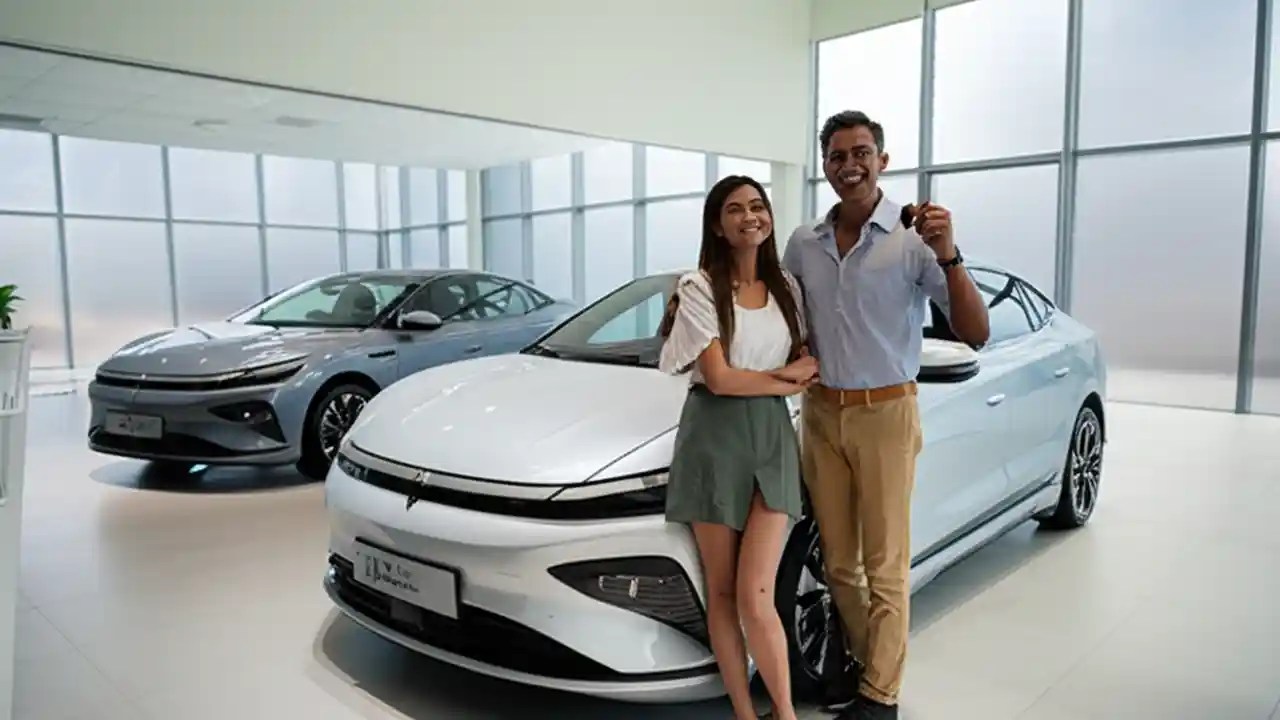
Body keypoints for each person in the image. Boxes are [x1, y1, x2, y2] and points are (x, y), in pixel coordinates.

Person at [783, 110, 990, 720]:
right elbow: (784, 319)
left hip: (886, 414)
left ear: (882, 160)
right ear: (825, 165)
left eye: (861, 153)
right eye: (837, 155)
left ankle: (881, 696)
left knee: (885, 565)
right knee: (839, 565)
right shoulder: (803, 243)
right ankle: (858, 665)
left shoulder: (912, 240)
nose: (849, 165)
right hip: (821, 415)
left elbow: (975, 331)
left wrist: (949, 255)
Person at [658, 175, 818, 720]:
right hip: (713, 437)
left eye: (757, 205)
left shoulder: (788, 288)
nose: (749, 216)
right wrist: (783, 379)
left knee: (756, 592)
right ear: (717, 225)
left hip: (771, 437)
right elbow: (720, 380)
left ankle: (785, 714)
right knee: (723, 592)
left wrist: (784, 378)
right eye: (734, 209)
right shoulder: (700, 287)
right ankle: (746, 715)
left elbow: (808, 364)